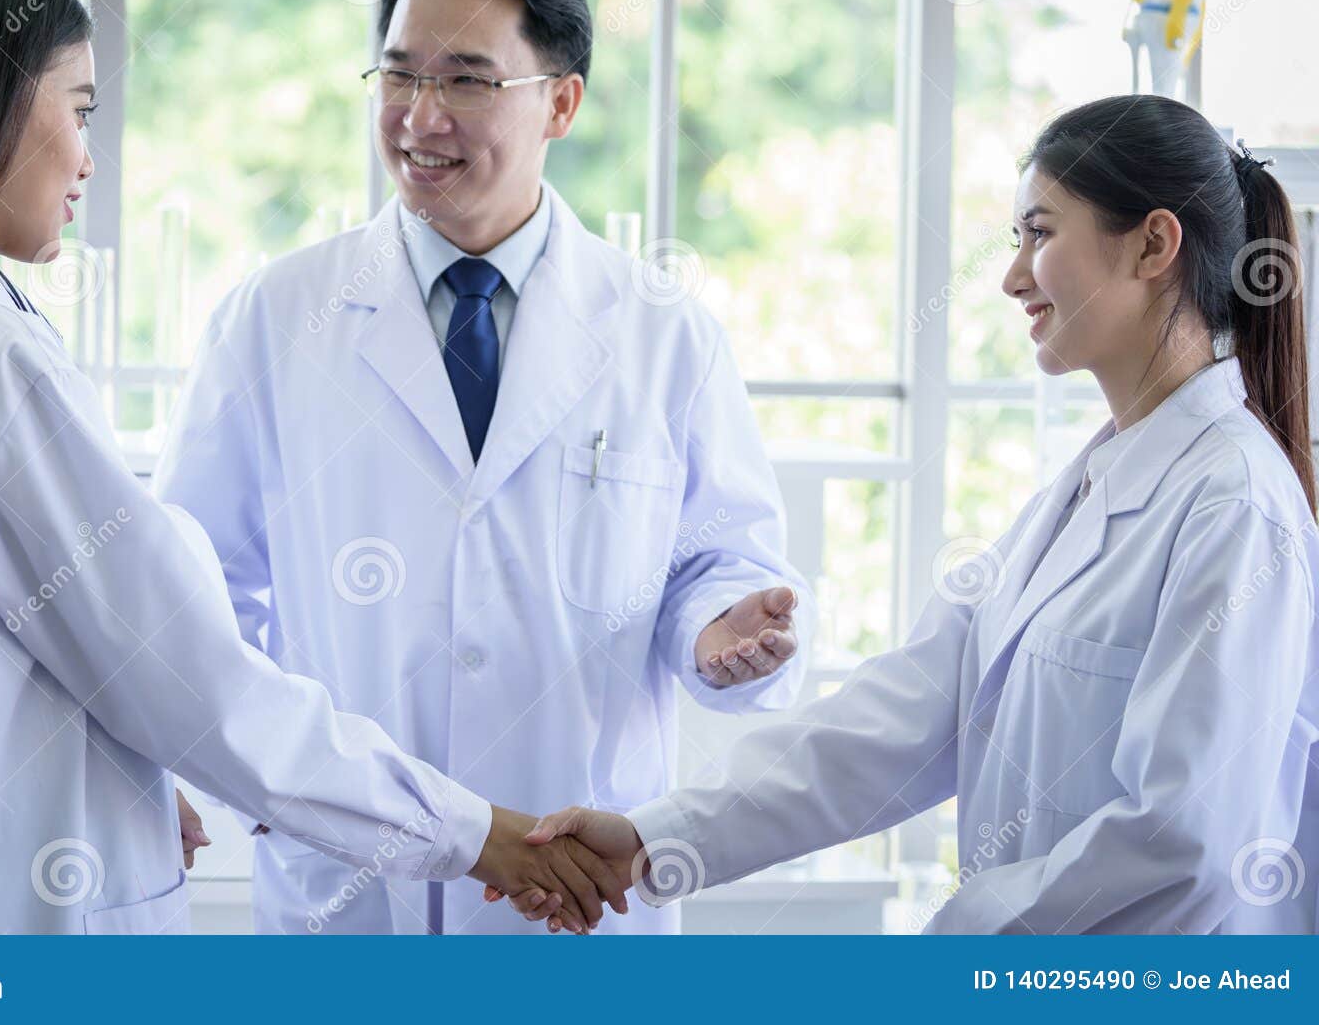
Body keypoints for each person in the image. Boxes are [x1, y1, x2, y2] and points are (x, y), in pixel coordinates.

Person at [0, 0, 626, 935]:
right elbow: (193, 676)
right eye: (79, 107)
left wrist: (140, 769)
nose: (88, 155)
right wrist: (473, 831)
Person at [496, 94, 1319, 934]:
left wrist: (952, 948)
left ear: (1153, 244)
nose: (1012, 275)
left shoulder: (1234, 506)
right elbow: (894, 724)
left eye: (1041, 232)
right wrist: (648, 841)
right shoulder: (1082, 494)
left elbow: (1183, 846)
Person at [152, 0, 814, 935]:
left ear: (561, 101)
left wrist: (717, 630)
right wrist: (267, 798)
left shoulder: (660, 331)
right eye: (398, 74)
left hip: (576, 898)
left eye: (466, 81)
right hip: (349, 895)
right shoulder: (276, 318)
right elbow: (195, 594)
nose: (421, 116)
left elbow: (715, 561)